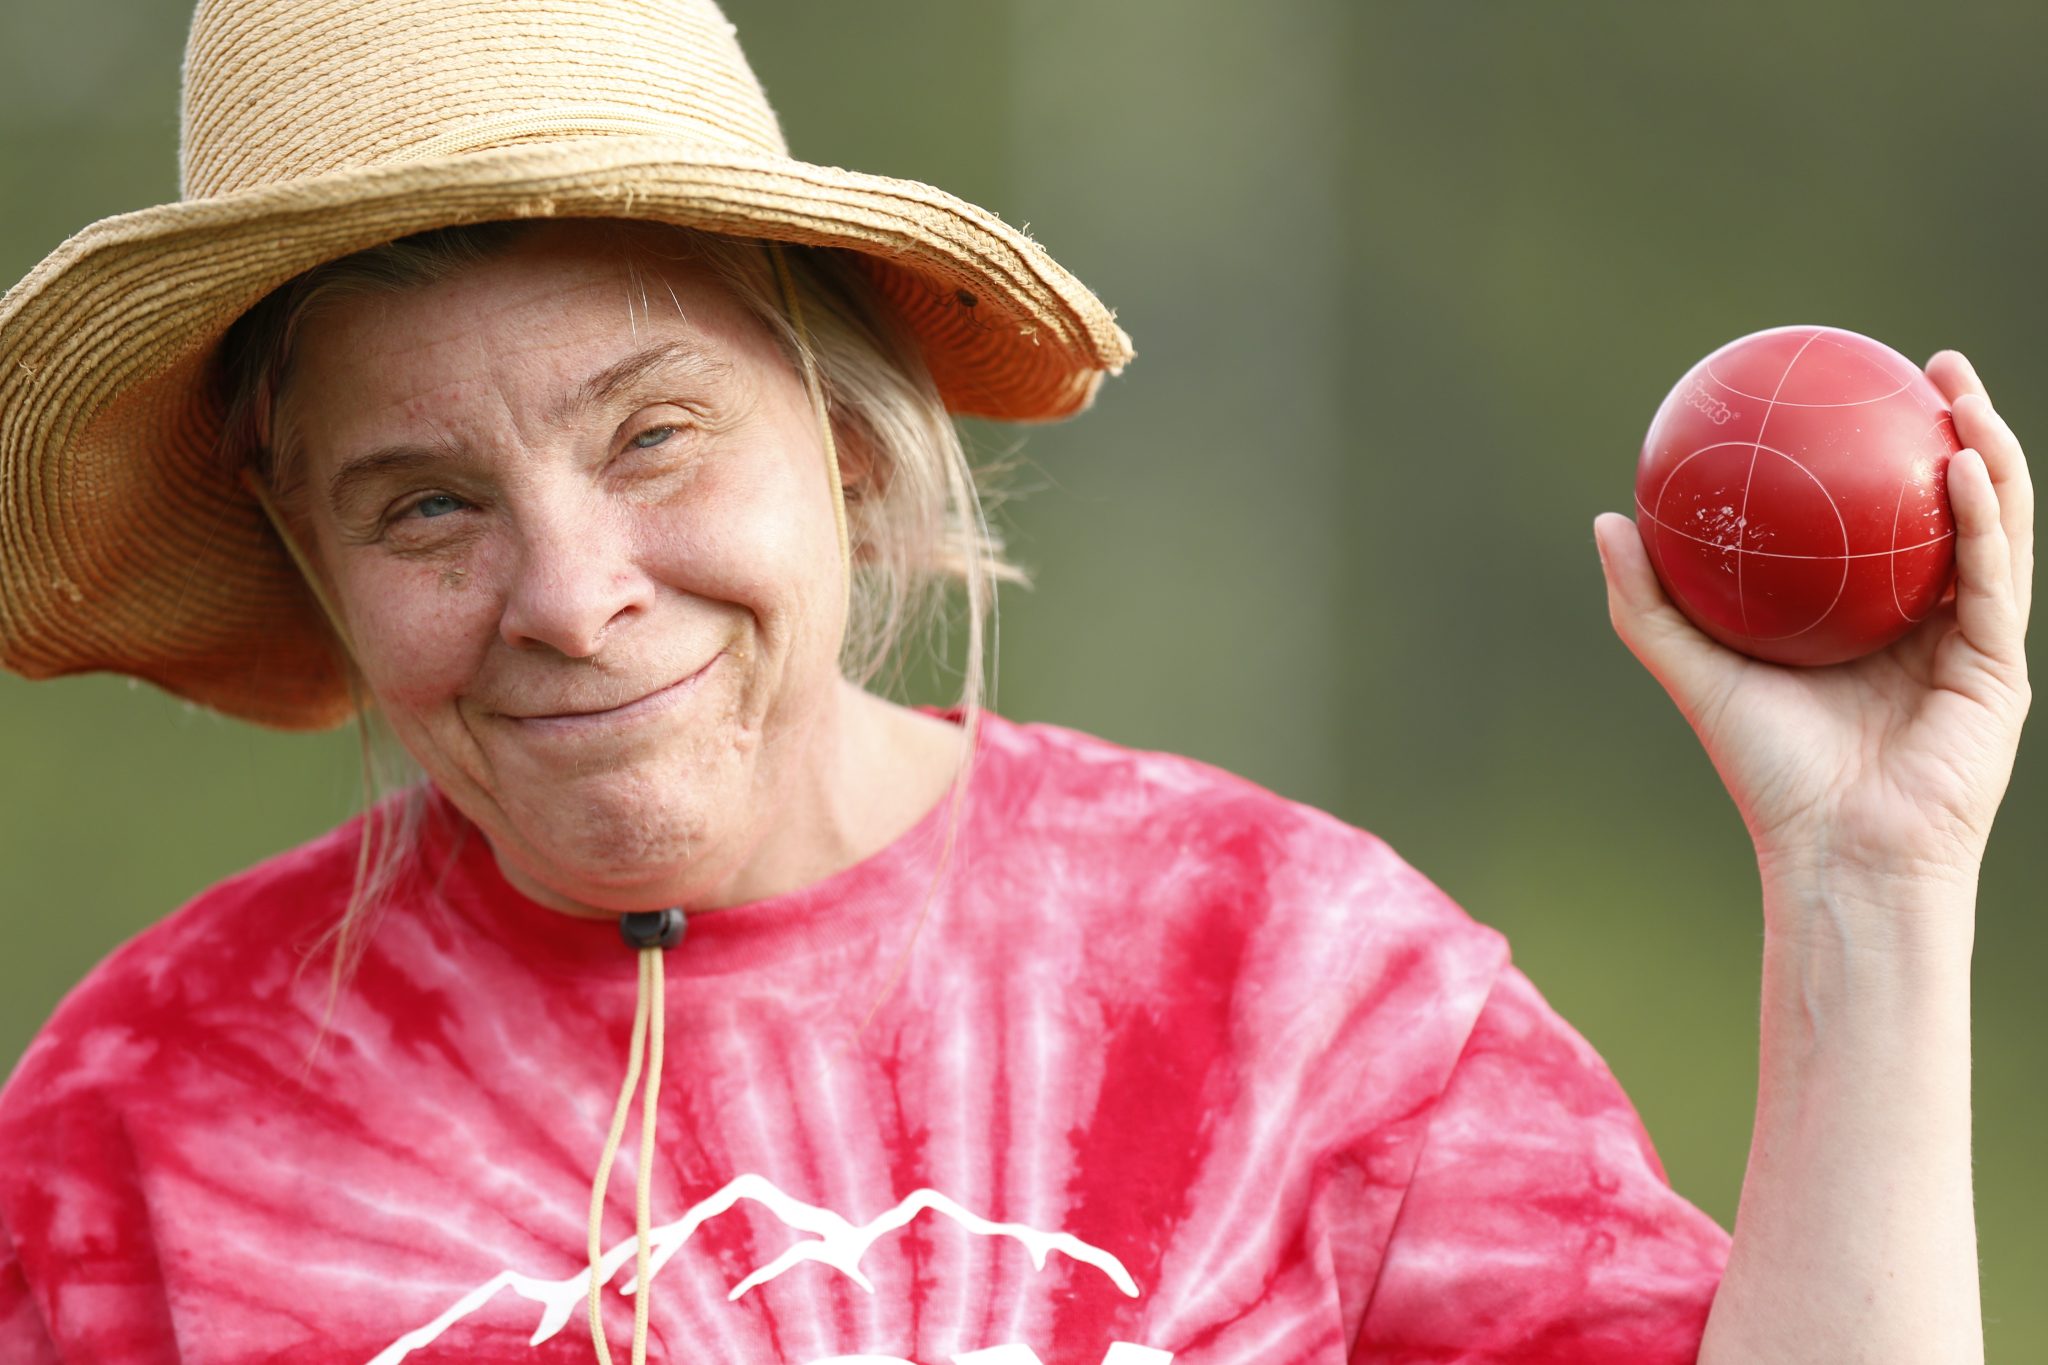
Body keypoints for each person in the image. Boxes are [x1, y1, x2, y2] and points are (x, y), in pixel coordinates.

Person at [0, 0, 2028, 1362]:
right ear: (303, 552)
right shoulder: (136, 1135)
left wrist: (1870, 885)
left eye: (651, 439)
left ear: (850, 434)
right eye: (424, 506)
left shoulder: (1297, 992)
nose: (569, 590)